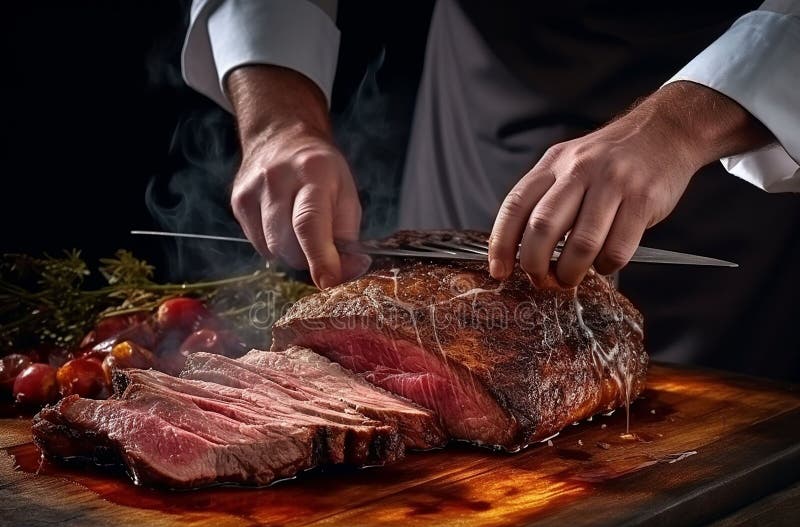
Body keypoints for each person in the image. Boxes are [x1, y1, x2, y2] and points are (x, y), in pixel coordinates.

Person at [180, 0, 800, 379]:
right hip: (479, 100)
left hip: (735, 141)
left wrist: (677, 127)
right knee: (416, 343)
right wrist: (278, 122)